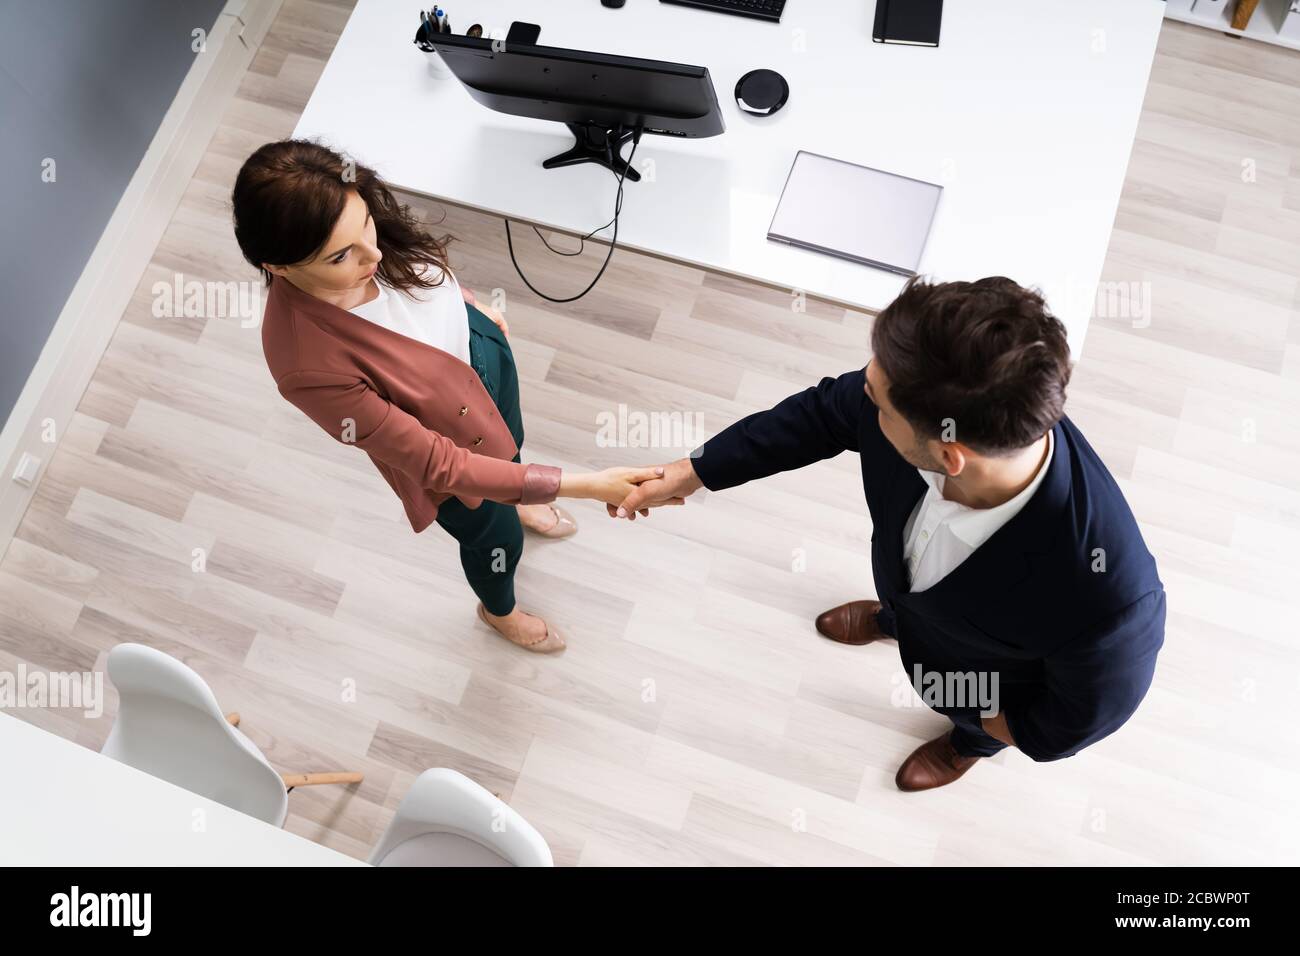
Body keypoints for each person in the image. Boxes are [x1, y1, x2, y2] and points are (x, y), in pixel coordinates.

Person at [615, 277, 1166, 791]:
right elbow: (821, 413)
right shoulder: (934, 409)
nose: (862, 397)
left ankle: (964, 746)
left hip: (976, 685)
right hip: (920, 597)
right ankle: (893, 619)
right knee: (911, 601)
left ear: (950, 455)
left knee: (970, 719)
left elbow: (1063, 727)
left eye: (877, 402)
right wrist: (695, 472)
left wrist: (984, 719)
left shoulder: (1110, 602)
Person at [232, 139, 676, 653]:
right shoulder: (306, 364)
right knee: (496, 542)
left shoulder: (368, 241)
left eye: (367, 226)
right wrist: (586, 485)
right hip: (453, 455)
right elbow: (442, 465)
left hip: (482, 367)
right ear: (280, 266)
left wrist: (468, 306)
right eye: (340, 255)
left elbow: (421, 278)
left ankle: (520, 499)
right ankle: (498, 611)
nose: (373, 254)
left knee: (513, 443)